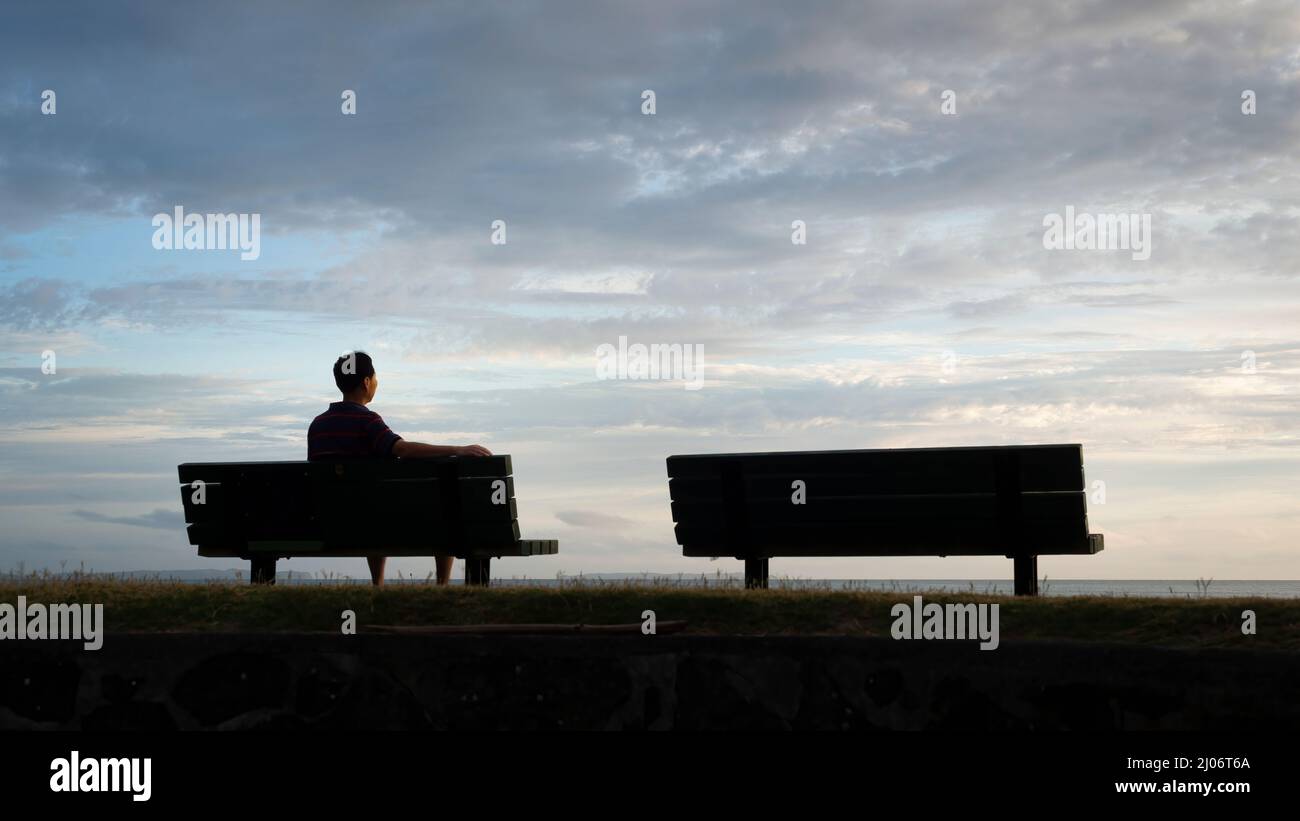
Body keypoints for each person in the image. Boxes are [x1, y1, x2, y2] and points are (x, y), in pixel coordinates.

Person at [307, 351, 492, 586]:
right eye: (375, 378)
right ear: (366, 382)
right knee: (445, 510)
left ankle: (378, 585)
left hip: (330, 523)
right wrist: (457, 449)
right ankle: (442, 586)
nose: (376, 383)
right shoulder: (368, 421)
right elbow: (401, 449)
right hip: (376, 523)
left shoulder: (318, 425)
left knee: (368, 505)